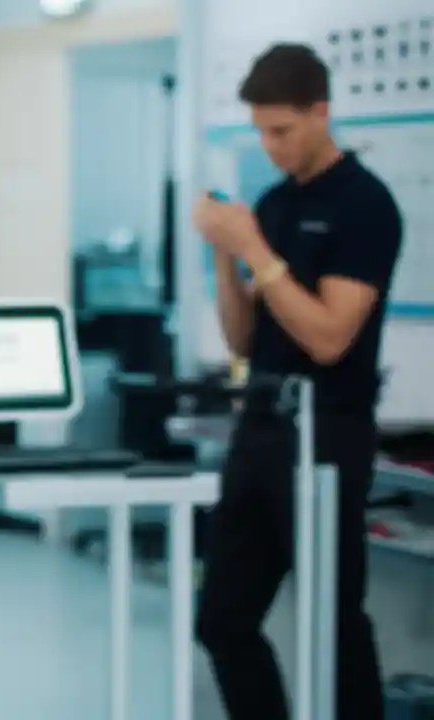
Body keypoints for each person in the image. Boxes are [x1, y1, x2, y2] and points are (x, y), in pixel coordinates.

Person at [192, 43, 400, 719]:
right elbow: (245, 339)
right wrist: (227, 261)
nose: (269, 144)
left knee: (334, 622)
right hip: (260, 429)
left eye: (280, 130)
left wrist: (254, 248)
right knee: (222, 620)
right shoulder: (277, 203)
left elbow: (329, 337)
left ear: (321, 112)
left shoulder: (364, 206)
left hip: (327, 435)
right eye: (259, 130)